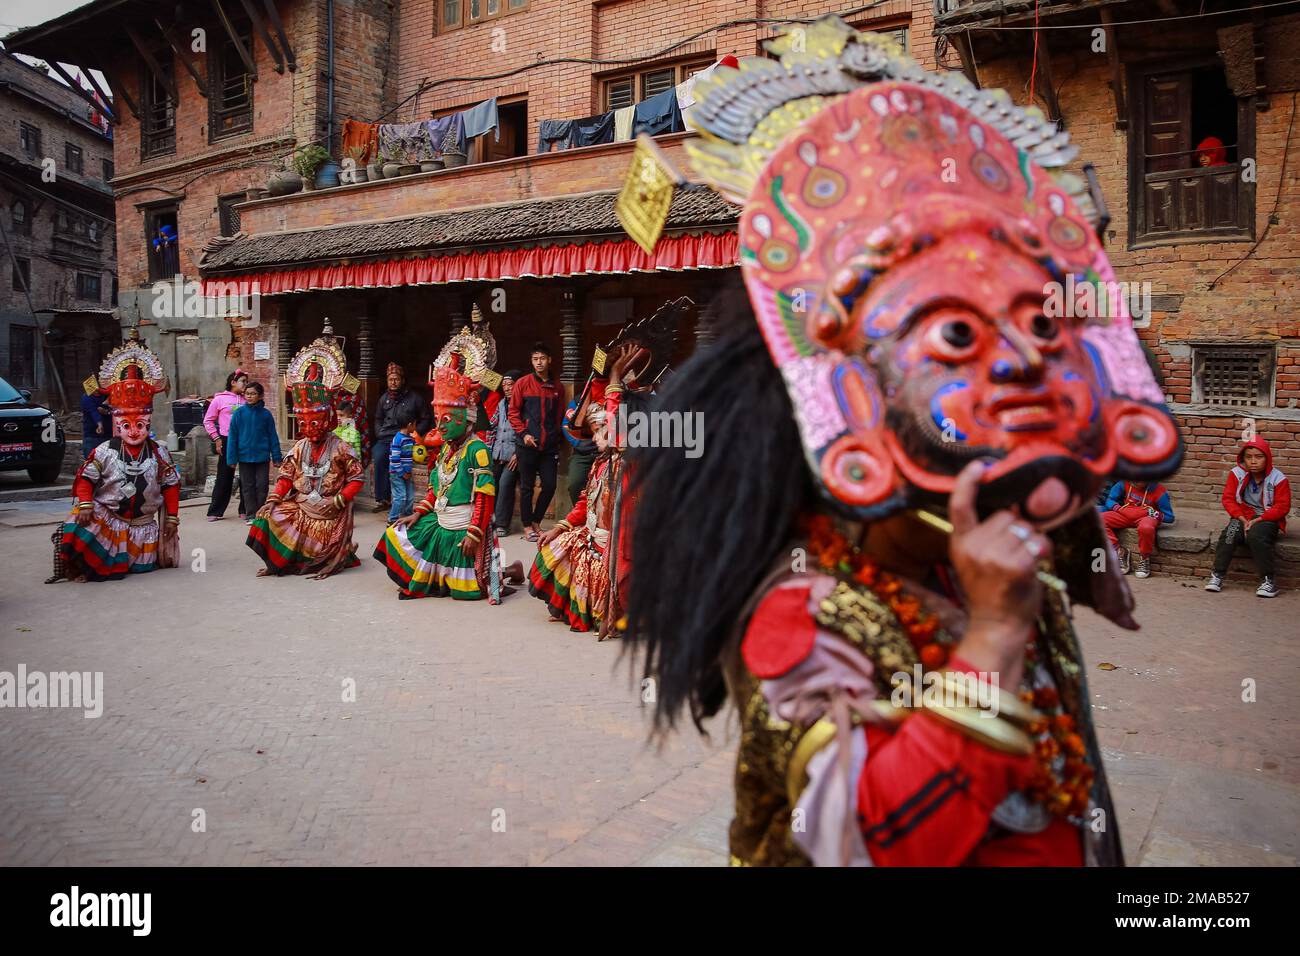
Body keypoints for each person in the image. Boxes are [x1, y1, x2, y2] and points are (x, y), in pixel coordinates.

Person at [622, 17, 1185, 867]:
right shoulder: (803, 613)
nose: (1024, 367)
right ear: (852, 401)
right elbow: (864, 839)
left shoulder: (975, 563)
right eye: (957, 340)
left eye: (1035, 326)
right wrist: (991, 638)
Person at [375, 344, 524, 601]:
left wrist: (474, 534)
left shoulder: (477, 450)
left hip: (465, 527)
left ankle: (510, 570)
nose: (440, 427)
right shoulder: (445, 450)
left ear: (466, 420)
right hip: (441, 521)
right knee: (395, 534)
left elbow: (484, 499)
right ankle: (503, 570)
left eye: (447, 419)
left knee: (469, 590)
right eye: (437, 418)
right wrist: (418, 512)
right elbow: (436, 489)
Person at [57, 330, 180, 581]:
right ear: (117, 423)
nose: (134, 432)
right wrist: (85, 503)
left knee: (134, 569)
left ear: (148, 423)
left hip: (142, 526)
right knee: (74, 528)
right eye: (126, 425)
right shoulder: (103, 451)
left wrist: (173, 519)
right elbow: (85, 480)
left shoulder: (160, 453)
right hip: (109, 518)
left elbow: (171, 486)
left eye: (141, 425)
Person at [247, 321, 365, 579]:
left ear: (328, 420)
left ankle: (339, 551)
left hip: (329, 508)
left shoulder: (341, 447)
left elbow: (356, 477)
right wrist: (273, 499)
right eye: (303, 423)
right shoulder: (300, 447)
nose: (309, 428)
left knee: (326, 550)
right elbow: (287, 476)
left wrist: (338, 500)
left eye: (315, 423)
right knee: (267, 518)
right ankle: (277, 563)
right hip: (302, 505)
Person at [1206, 436, 1290, 597]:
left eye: (1259, 457)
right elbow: (1228, 499)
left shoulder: (1278, 478)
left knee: (1256, 536)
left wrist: (1257, 520)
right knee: (1229, 534)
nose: (1253, 461)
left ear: (1267, 458)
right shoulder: (1236, 473)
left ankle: (1268, 581)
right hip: (1242, 516)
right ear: (1242, 458)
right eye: (1248, 457)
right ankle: (1217, 575)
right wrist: (1242, 519)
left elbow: (1282, 507)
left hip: (1267, 518)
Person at [508, 342, 565, 542]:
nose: (538, 362)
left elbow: (558, 417)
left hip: (548, 446)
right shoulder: (522, 383)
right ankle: (526, 526)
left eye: (542, 358)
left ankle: (536, 521)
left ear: (549, 360)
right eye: (535, 359)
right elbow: (513, 412)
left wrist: (556, 437)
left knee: (550, 485)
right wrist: (524, 434)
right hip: (527, 444)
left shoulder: (557, 386)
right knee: (527, 487)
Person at [372, 362, 430, 513]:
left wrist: (415, 433)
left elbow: (425, 418)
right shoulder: (384, 399)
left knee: (404, 461)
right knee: (379, 456)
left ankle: (404, 501)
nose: (393, 382)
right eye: (390, 379)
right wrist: (379, 433)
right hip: (386, 437)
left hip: (406, 437)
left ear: (403, 380)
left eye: (396, 379)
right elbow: (378, 419)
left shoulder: (415, 398)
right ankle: (382, 499)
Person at [226, 381, 282, 524]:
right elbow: (232, 437)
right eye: (247, 394)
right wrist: (231, 459)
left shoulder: (266, 415)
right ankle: (251, 515)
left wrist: (276, 457)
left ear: (260, 396)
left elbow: (272, 436)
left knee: (262, 486)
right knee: (247, 487)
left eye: (253, 394)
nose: (249, 396)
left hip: (262, 457)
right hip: (244, 457)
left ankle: (261, 513)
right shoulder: (239, 413)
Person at [1100, 479, 1175, 578]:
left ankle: (1144, 558)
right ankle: (1120, 552)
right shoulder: (1125, 482)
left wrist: (1151, 513)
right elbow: (1110, 500)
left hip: (1146, 517)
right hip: (1125, 513)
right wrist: (1118, 508)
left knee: (1146, 528)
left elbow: (1170, 517)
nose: (1134, 483)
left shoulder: (1160, 491)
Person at [204, 369, 248, 521]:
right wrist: (217, 438)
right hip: (227, 440)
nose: (245, 385)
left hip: (246, 440)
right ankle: (215, 511)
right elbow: (208, 420)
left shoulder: (247, 400)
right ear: (233, 382)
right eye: (243, 381)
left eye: (246, 382)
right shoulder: (219, 400)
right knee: (224, 475)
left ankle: (245, 509)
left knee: (246, 476)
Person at [488, 369, 523, 535]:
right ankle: (489, 521)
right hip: (497, 453)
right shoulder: (501, 404)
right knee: (490, 484)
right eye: (505, 385)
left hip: (514, 455)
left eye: (511, 385)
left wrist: (518, 453)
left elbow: (526, 431)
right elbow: (492, 427)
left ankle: (502, 524)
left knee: (505, 485)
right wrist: (488, 451)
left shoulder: (524, 404)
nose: (507, 388)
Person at [388, 416, 418, 525]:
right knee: (400, 497)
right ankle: (392, 519)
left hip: (407, 473)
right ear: (409, 425)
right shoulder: (398, 439)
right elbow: (394, 459)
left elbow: (415, 452)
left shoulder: (410, 439)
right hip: (397, 473)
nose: (415, 427)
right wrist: (402, 473)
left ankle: (407, 517)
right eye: (415, 424)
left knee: (410, 497)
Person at [79, 387, 110, 460]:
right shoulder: (87, 397)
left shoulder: (111, 395)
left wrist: (107, 412)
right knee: (91, 462)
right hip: (92, 436)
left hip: (109, 436)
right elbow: (93, 411)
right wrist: (99, 424)